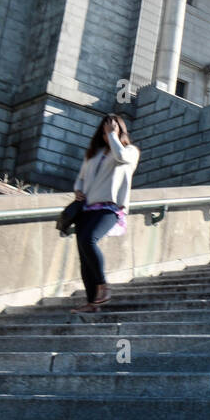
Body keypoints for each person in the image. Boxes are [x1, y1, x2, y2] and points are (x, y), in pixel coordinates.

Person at [70, 114, 140, 312]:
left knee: (89, 240)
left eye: (111, 129)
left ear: (120, 131)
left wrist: (113, 136)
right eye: (104, 130)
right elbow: (81, 177)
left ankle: (103, 286)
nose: (106, 134)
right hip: (87, 207)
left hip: (110, 207)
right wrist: (78, 189)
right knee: (83, 254)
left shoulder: (130, 151)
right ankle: (93, 302)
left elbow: (121, 157)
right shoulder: (93, 153)